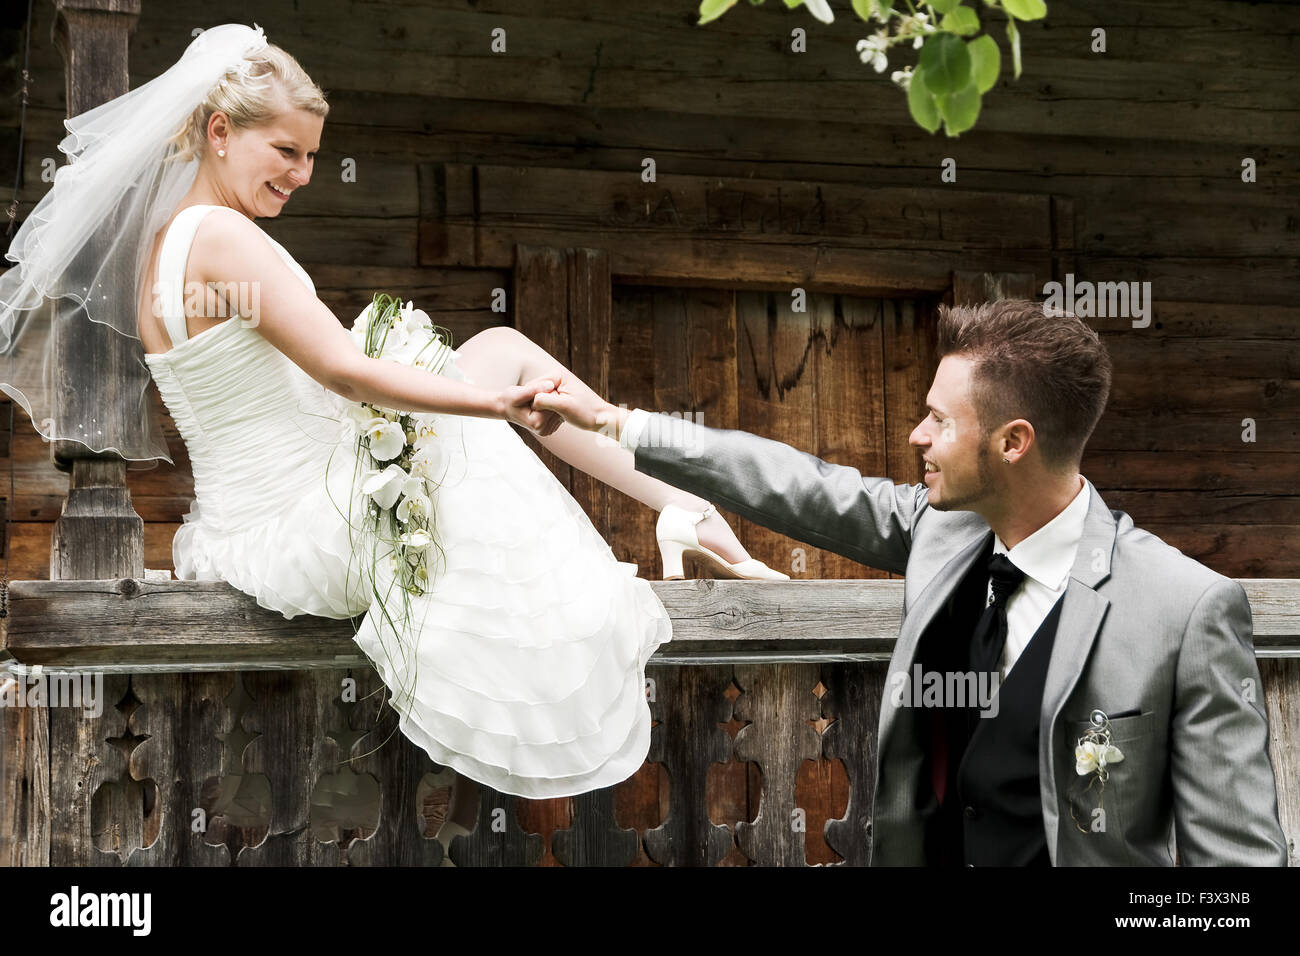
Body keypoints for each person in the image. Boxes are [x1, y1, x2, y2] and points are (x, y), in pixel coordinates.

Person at [0, 24, 789, 865]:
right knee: (502, 361)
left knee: (502, 349)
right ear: (220, 132)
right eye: (287, 150)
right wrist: (488, 406)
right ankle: (684, 507)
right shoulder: (223, 240)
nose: (302, 175)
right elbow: (345, 372)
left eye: (312, 156)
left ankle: (680, 506)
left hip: (242, 530)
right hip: (303, 529)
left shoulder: (166, 247)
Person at [537, 297, 1290, 866]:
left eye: (938, 420)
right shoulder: (942, 530)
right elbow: (796, 485)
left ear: (1014, 442)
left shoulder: (1184, 608)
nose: (916, 437)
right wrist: (616, 423)